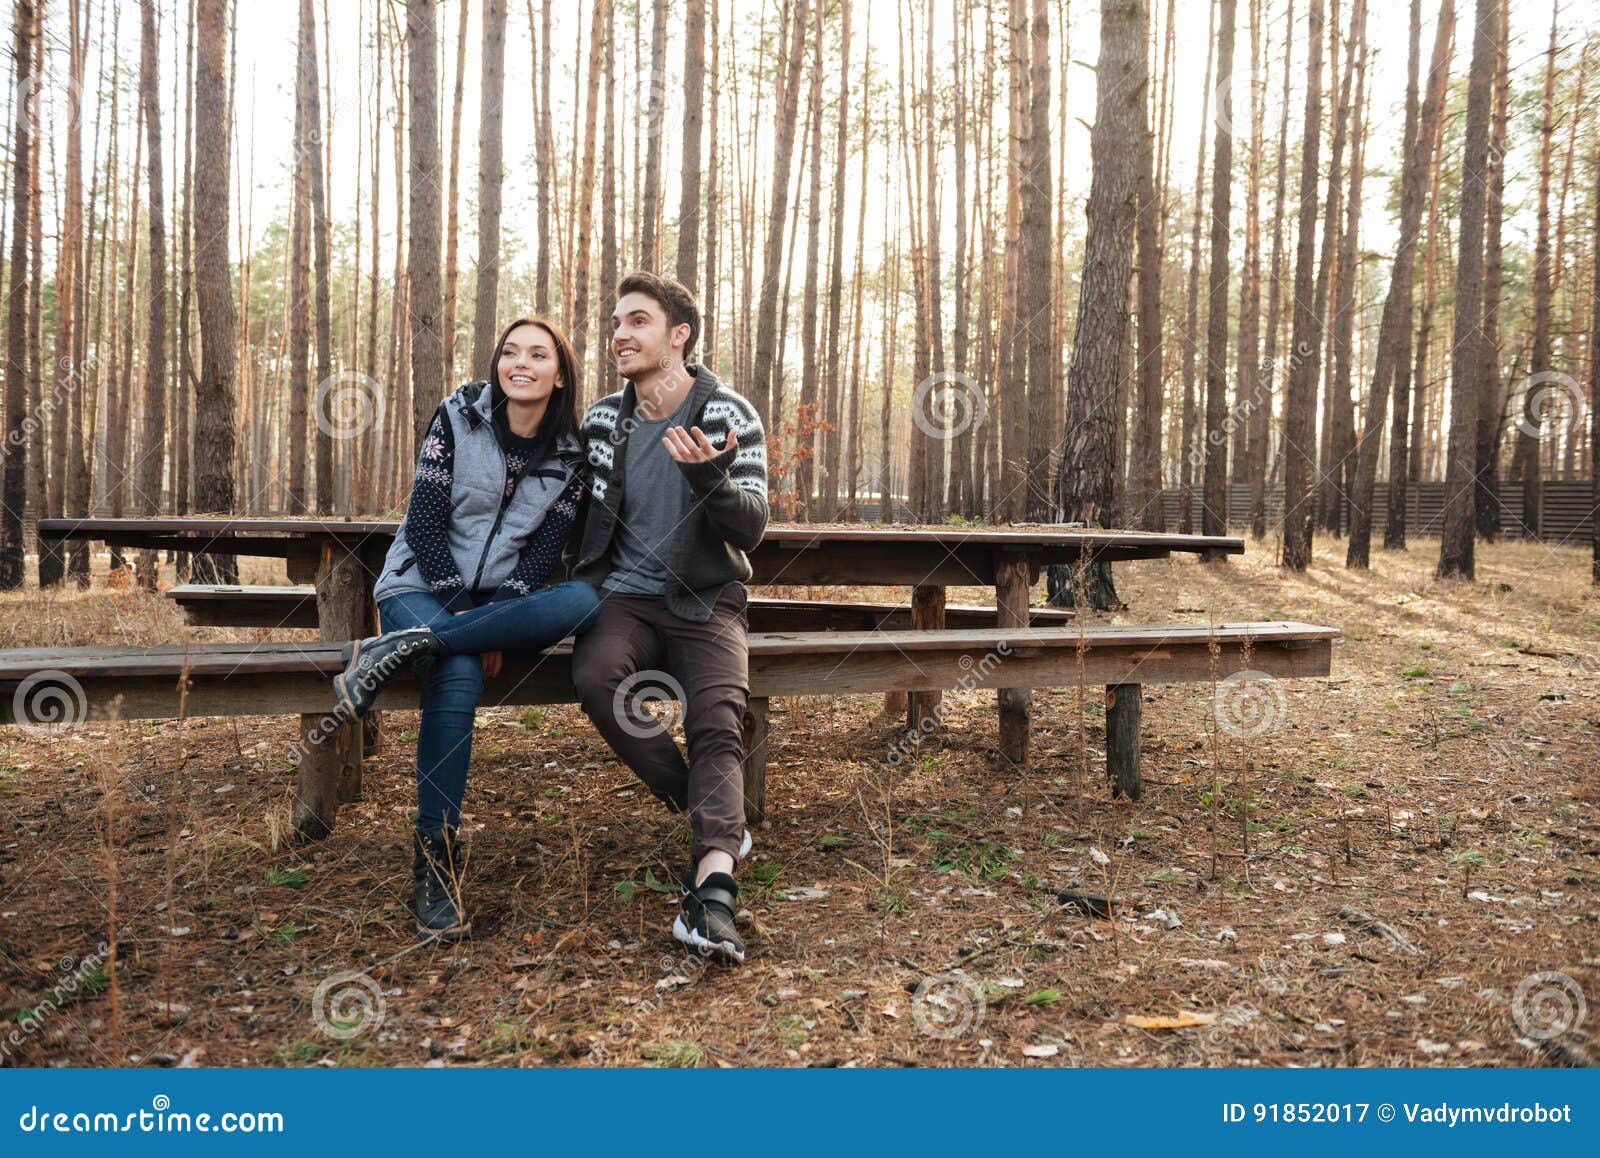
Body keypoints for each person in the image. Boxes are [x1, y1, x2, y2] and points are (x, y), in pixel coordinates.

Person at [333, 316, 601, 941]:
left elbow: (540, 559)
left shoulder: (571, 456)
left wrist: (494, 623)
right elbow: (424, 526)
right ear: (497, 364)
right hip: (416, 589)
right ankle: (436, 862)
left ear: (560, 374)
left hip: (499, 607)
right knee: (456, 672)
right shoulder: (456, 417)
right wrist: (466, 622)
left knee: (585, 599)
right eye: (510, 352)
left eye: (538, 355)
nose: (521, 364)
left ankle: (394, 654)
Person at [570, 271, 768, 964]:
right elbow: (571, 512)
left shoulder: (728, 413)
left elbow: (750, 529)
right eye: (616, 322)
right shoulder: (602, 420)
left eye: (637, 321)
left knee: (718, 720)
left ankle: (713, 895)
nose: (619, 334)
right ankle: (717, 818)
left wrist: (710, 479)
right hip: (622, 598)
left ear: (678, 335)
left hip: (706, 598)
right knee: (598, 679)